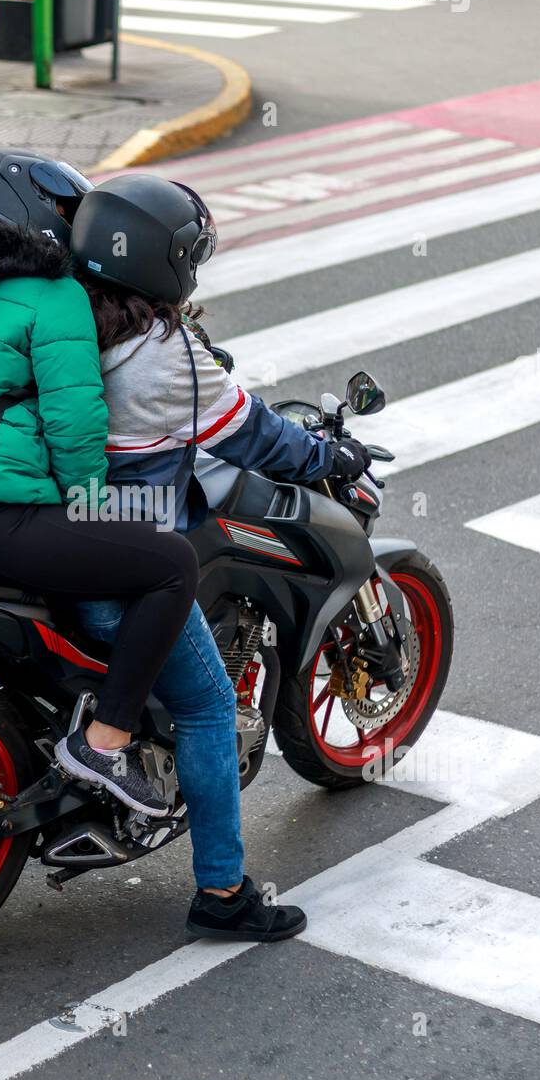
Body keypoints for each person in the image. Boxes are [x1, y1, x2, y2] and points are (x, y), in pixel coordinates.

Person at [70, 175, 371, 941]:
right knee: (208, 706)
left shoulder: (66, 320)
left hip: (46, 541)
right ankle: (225, 893)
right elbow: (254, 435)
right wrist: (329, 453)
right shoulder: (165, 353)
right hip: (123, 569)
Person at [0, 149, 199, 820]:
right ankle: (105, 742)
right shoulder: (52, 296)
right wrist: (93, 506)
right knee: (170, 566)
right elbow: (77, 427)